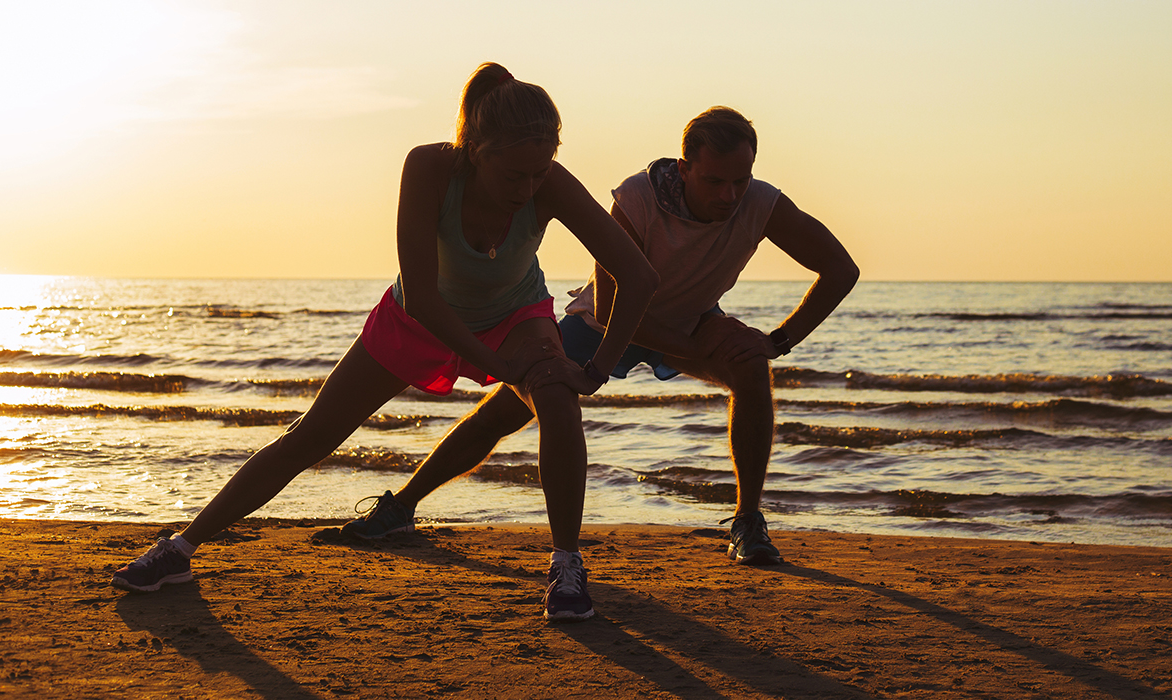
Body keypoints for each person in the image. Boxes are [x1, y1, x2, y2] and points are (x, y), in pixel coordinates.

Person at [110, 63, 658, 622]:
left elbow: (637, 276)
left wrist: (595, 371)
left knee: (560, 403)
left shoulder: (549, 182)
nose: (528, 189)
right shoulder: (429, 168)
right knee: (311, 436)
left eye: (539, 174)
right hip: (419, 316)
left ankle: (566, 566)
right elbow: (422, 297)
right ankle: (179, 549)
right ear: (475, 150)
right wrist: (500, 367)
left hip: (515, 313)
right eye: (515, 175)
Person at [345, 106, 858, 565]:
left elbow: (840, 269)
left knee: (750, 367)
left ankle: (748, 520)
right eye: (714, 182)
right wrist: (695, 346)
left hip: (691, 319)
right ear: (685, 169)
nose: (728, 196)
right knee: (504, 413)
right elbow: (616, 305)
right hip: (605, 323)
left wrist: (776, 340)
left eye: (739, 181)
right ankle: (402, 507)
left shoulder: (760, 204)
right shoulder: (637, 198)